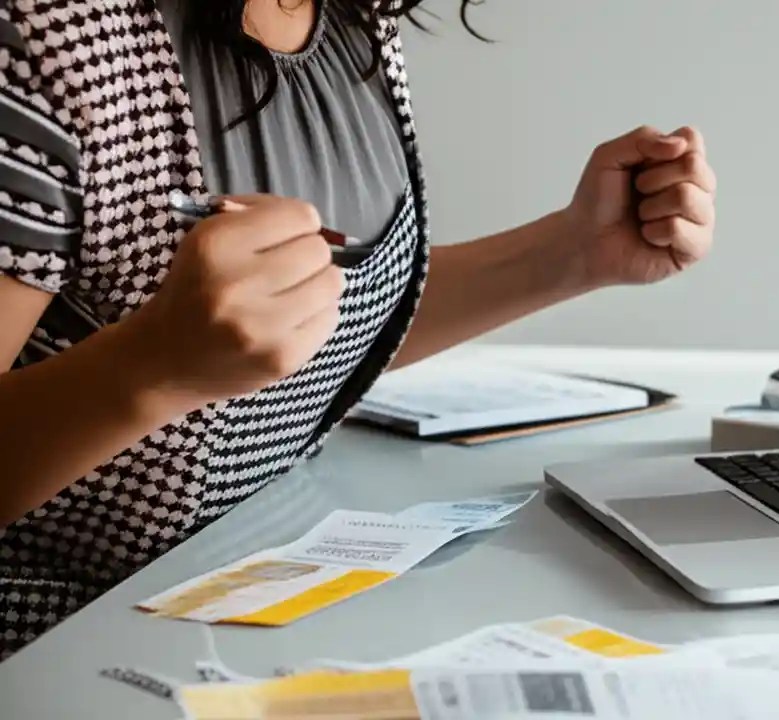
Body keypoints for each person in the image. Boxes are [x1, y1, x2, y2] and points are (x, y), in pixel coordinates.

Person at [0, 0, 716, 658]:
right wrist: (150, 368)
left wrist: (571, 254)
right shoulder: (44, 33)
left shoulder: (356, 18)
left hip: (237, 614)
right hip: (60, 654)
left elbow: (316, 322)